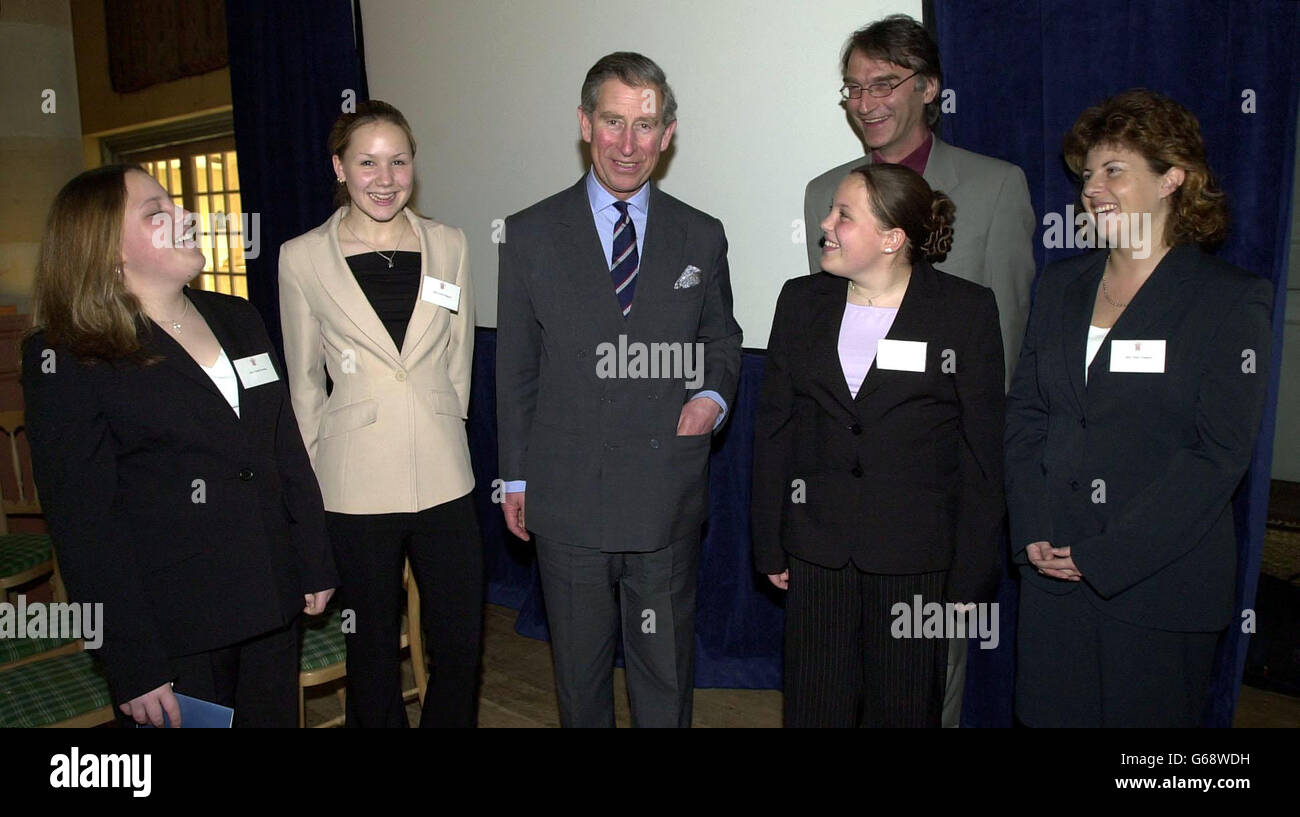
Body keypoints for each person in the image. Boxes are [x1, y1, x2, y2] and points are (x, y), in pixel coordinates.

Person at [23, 164, 337, 728]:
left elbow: (283, 449)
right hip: (175, 628)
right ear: (105, 249)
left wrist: (314, 559)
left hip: (271, 594)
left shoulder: (238, 316)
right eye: (156, 213)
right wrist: (131, 661)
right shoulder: (68, 357)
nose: (186, 217)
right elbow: (84, 526)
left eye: (177, 206)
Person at [1005, 89, 1273, 727]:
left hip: (1158, 587)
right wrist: (1033, 528)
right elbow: (1026, 417)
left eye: (1113, 171)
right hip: (1052, 577)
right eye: (1088, 174)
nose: (1092, 189)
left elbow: (1218, 455)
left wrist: (1106, 555)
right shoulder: (1060, 284)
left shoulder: (1230, 300)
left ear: (1172, 179)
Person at [496, 52, 742, 728]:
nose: (628, 145)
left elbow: (722, 341)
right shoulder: (528, 234)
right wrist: (515, 479)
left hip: (667, 493)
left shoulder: (702, 233)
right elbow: (516, 367)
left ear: (667, 134)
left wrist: (712, 400)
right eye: (613, 122)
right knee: (579, 681)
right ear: (585, 124)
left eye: (646, 125)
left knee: (665, 676)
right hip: (567, 497)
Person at [803, 14, 1036, 727]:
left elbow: (1007, 352)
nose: (866, 101)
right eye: (853, 87)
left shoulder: (994, 189)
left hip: (936, 505)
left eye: (885, 83)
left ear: (929, 88)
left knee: (928, 687)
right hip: (843, 506)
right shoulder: (823, 193)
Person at [753, 164, 1004, 727]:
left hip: (916, 560)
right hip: (816, 552)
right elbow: (775, 431)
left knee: (904, 712)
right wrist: (768, 541)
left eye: (844, 215)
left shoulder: (964, 311)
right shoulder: (800, 301)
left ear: (893, 238)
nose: (826, 224)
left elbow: (983, 453)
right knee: (815, 709)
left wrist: (971, 575)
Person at [279, 100, 482, 728]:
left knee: (459, 640)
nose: (385, 177)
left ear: (413, 167)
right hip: (352, 484)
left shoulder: (448, 244)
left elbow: (459, 358)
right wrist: (312, 483)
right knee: (367, 645)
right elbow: (305, 384)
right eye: (367, 162)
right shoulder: (302, 257)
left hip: (446, 475)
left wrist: (443, 427)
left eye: (398, 161)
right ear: (339, 168)